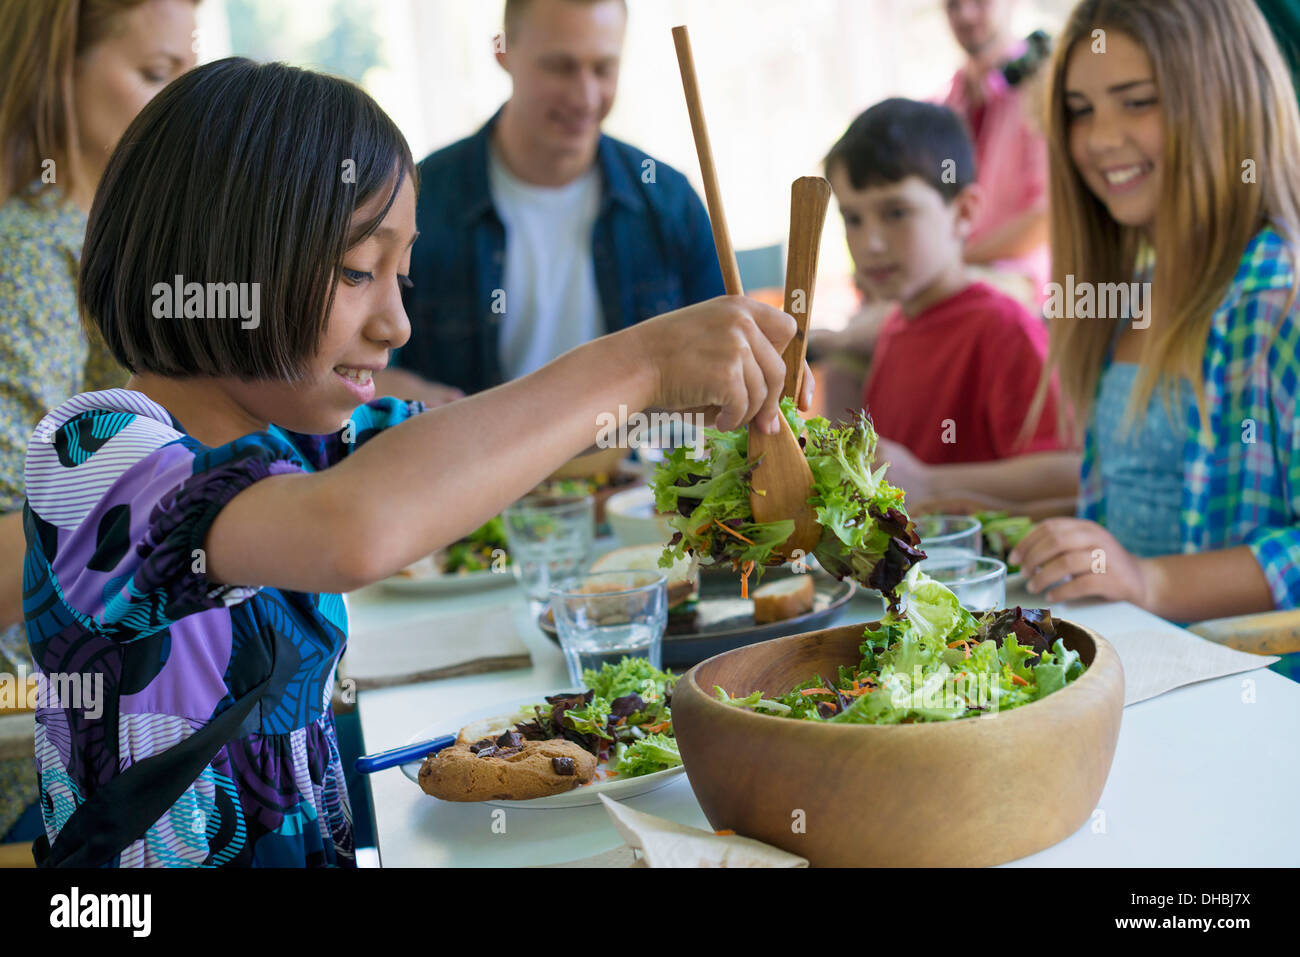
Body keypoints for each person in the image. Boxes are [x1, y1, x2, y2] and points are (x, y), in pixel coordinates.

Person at [25, 57, 809, 867]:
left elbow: (473, 440)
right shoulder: (98, 454)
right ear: (224, 258)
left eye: (401, 275)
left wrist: (686, 395)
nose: (397, 323)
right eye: (360, 270)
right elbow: (354, 528)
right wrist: (639, 364)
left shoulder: (300, 441)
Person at [1009, 0, 1300, 682]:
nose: (1100, 138)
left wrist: (1147, 579)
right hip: (1124, 671)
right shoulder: (1128, 293)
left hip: (1243, 699)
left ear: (1227, 104)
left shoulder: (1277, 291)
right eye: (1080, 110)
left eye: (1136, 102)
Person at [0, 0, 198, 845]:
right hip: (41, 742)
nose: (180, 105)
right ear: (53, 69)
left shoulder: (100, 235)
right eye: (155, 76)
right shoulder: (27, 254)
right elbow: (13, 549)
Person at [379, 0, 723, 404]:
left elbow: (723, 354)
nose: (585, 96)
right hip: (476, 465)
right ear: (502, 51)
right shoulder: (419, 200)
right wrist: (403, 396)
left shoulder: (670, 202)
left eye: (603, 68)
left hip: (637, 466)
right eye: (560, 67)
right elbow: (350, 366)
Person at [823, 98, 1079, 513]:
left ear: (964, 212)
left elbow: (1072, 473)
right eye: (853, 219)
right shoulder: (892, 329)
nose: (870, 243)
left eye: (896, 212)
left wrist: (930, 484)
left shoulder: (1001, 326)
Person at [942, 0, 1051, 297]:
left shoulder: (1041, 90)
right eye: (953, 5)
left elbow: (1045, 217)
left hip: (1027, 282)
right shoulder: (949, 102)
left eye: (979, 2)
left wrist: (954, 260)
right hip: (959, 271)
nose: (965, 14)